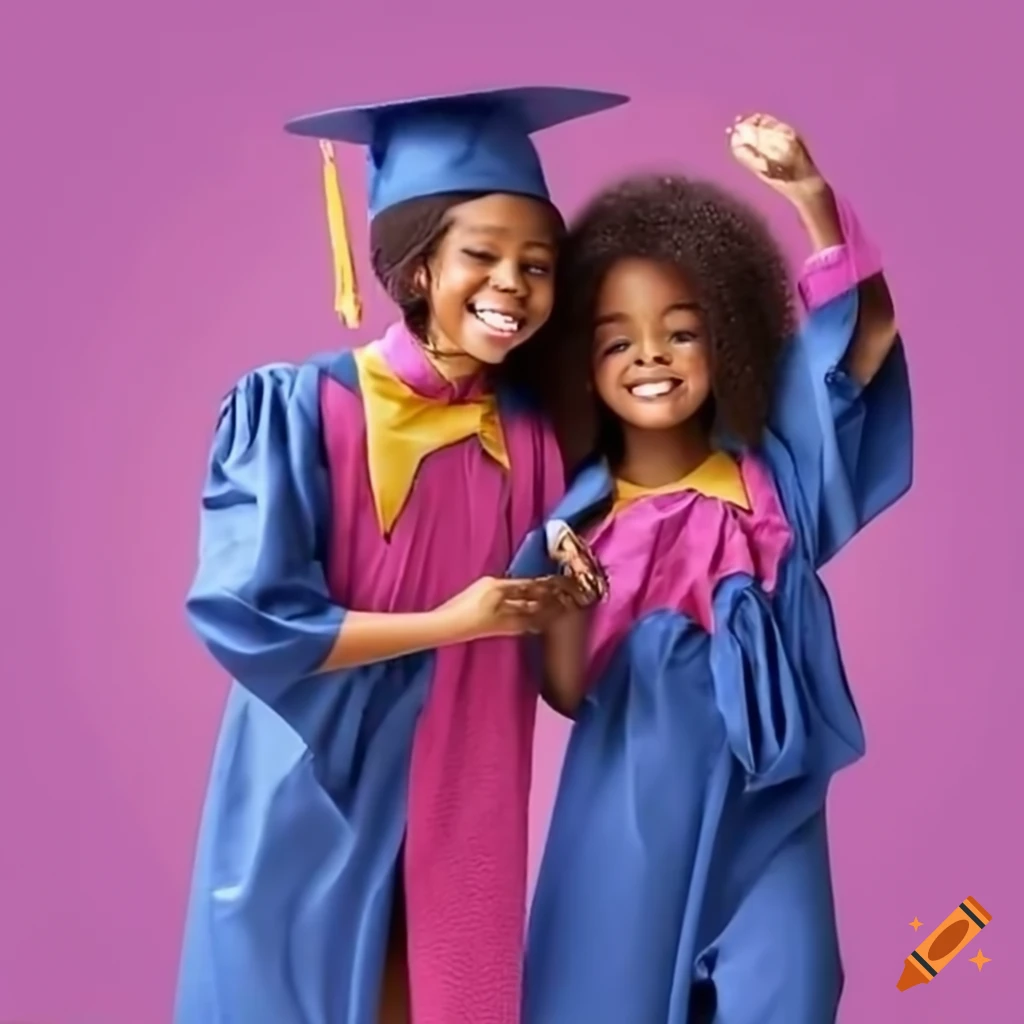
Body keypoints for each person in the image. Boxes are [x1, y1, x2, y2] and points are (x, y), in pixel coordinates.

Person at [175, 85, 627, 1024]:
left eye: (537, 265)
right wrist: (451, 623)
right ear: (419, 267)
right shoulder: (300, 408)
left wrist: (567, 590)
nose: (512, 284)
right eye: (482, 256)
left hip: (467, 784)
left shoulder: (538, 436)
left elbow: (570, 646)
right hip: (316, 783)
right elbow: (251, 617)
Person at [510, 113, 912, 1023]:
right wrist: (566, 601)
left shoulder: (775, 482)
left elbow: (863, 336)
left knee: (791, 990)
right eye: (616, 341)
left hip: (769, 811)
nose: (650, 356)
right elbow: (565, 694)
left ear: (725, 338)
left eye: (681, 332)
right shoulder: (577, 525)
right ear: (581, 367)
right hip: (628, 824)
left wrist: (810, 195)